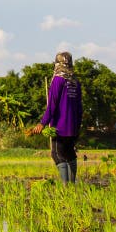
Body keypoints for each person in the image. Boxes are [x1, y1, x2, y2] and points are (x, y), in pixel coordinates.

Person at [29, 52, 83, 183]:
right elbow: (80, 108)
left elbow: (52, 105)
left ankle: (66, 186)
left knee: (57, 154)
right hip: (73, 127)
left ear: (58, 64)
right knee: (69, 153)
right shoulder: (75, 82)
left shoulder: (58, 80)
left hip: (60, 126)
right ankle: (71, 185)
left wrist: (42, 123)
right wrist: (77, 126)